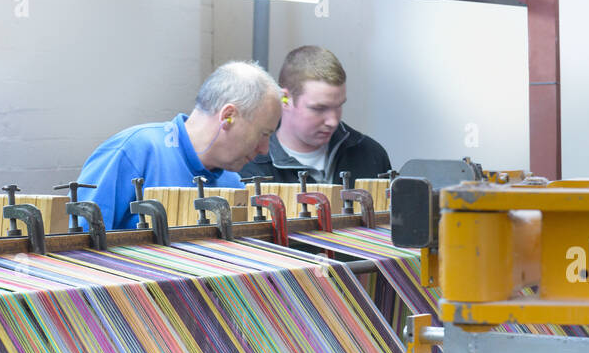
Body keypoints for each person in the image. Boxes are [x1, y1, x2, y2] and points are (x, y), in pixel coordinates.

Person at [77, 61, 281, 230]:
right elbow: (77, 247)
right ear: (228, 116)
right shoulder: (134, 152)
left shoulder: (233, 184)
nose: (264, 149)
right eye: (264, 134)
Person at [240, 46, 391, 185]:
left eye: (338, 106)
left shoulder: (371, 155)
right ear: (285, 99)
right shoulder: (246, 164)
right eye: (319, 108)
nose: (333, 121)